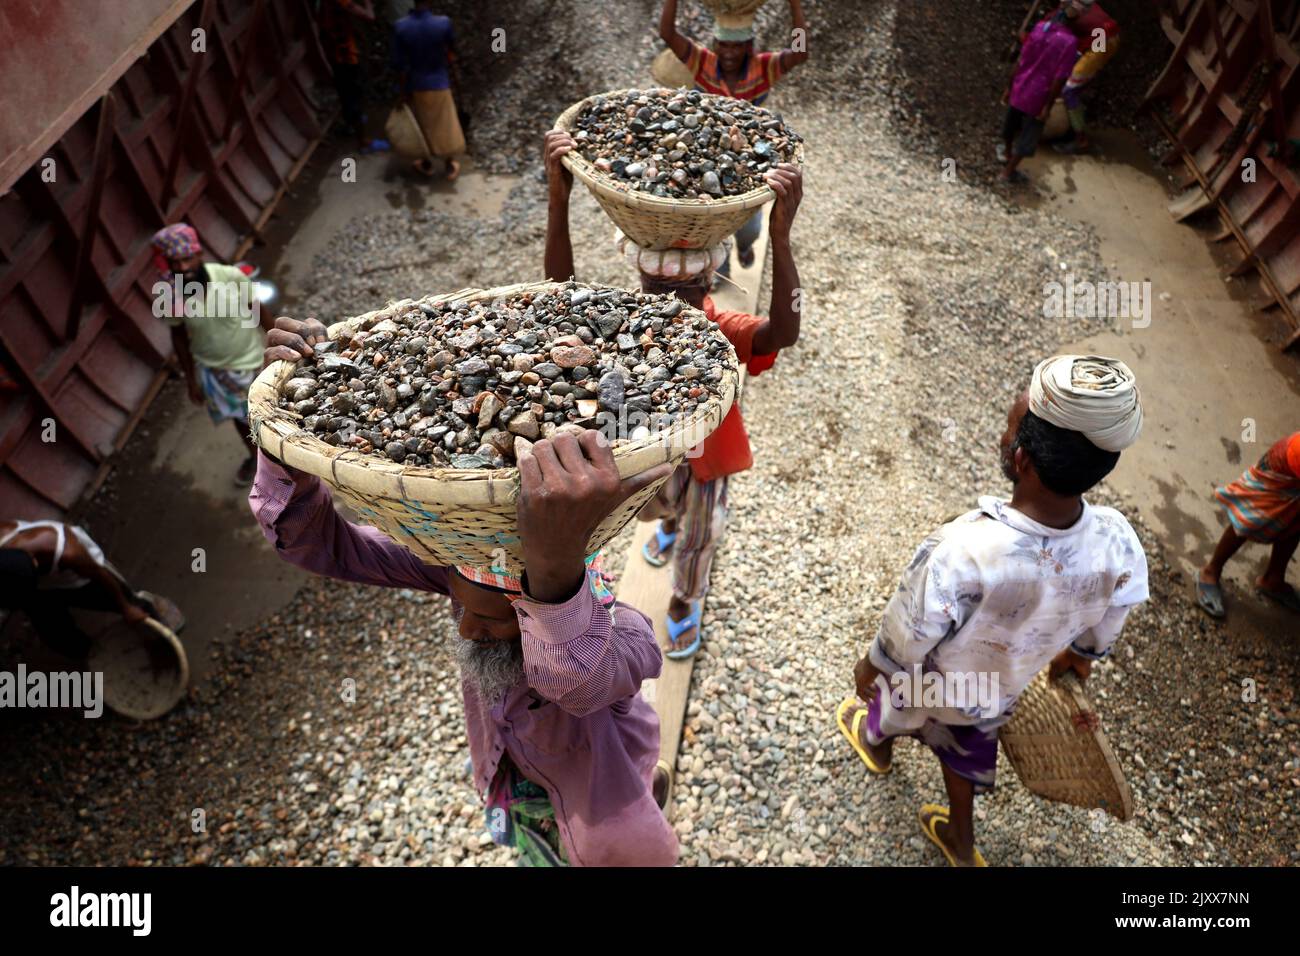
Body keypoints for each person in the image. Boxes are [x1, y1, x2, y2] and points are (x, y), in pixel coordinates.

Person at [251, 317, 678, 866]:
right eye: (463, 606)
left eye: (495, 623)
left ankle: (647, 787)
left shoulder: (627, 636)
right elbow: (319, 547)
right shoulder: (469, 570)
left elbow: (577, 682)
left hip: (597, 810)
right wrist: (283, 439)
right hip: (514, 782)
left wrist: (552, 560)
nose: (466, 628)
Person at [840, 355, 1148, 866]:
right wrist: (1079, 656)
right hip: (995, 693)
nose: (1000, 440)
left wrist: (870, 666)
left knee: (893, 709)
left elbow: (908, 632)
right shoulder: (1118, 541)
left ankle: (876, 748)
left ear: (1021, 459)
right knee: (962, 750)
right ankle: (961, 845)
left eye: (1007, 433)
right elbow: (1108, 618)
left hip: (930, 682)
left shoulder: (963, 549)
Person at [543, 129, 803, 659]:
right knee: (656, 508)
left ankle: (686, 600)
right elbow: (560, 294)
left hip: (709, 459)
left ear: (708, 286)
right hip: (653, 454)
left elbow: (783, 333)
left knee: (702, 536)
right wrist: (558, 198)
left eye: (687, 292)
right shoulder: (623, 326)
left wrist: (780, 238)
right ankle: (666, 523)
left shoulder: (720, 327)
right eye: (661, 292)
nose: (675, 305)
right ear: (640, 285)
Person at [659, 0, 808, 280]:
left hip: (748, 165)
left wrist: (795, 6)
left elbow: (800, 51)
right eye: (725, 46)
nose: (730, 53)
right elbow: (667, 34)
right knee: (711, 225)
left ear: (748, 46)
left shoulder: (762, 68)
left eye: (737, 46)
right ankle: (720, 272)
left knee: (749, 226)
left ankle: (745, 246)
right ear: (716, 45)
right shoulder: (703, 62)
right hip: (706, 160)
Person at [151, 223, 273, 484]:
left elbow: (258, 310)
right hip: (217, 374)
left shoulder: (229, 276)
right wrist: (191, 380)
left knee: (274, 411)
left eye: (187, 259)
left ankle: (288, 456)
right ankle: (258, 459)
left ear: (198, 254)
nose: (183, 268)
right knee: (241, 421)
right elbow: (179, 337)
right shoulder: (170, 295)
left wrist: (278, 344)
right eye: (175, 263)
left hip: (254, 361)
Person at [0, 520, 183, 659]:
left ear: (34, 561)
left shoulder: (67, 552)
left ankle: (152, 618)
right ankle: (92, 658)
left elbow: (98, 573)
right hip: (32, 586)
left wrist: (126, 607)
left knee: (125, 601)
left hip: (80, 573)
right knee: (56, 634)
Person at [1196, 431, 1300, 618]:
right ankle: (1210, 571)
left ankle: (1273, 579)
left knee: (1294, 519)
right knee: (1251, 516)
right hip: (1289, 460)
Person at [998, 3, 1086, 183]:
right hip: (1039, 94)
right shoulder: (1069, 43)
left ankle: (1006, 151)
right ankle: (1008, 172)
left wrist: (1009, 86)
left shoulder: (1039, 29)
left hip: (1021, 85)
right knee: (1029, 134)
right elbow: (1060, 78)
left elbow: (1021, 60)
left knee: (1011, 121)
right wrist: (1048, 106)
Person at [392, 1, 466, 180]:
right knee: (445, 125)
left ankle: (426, 164)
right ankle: (449, 165)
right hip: (440, 82)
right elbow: (451, 55)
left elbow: (400, 66)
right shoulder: (443, 23)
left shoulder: (400, 27)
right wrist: (457, 82)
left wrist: (402, 93)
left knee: (422, 126)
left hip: (416, 84)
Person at [1055, 0, 1120, 154]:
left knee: (1069, 90)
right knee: (1073, 77)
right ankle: (1073, 121)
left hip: (1102, 42)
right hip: (1103, 36)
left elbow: (1097, 51)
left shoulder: (1074, 15)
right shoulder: (1078, 7)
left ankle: (1081, 139)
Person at [317, 0, 377, 152]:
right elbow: (369, 17)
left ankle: (350, 125)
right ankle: (363, 141)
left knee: (345, 92)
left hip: (334, 53)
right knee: (354, 95)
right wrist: (368, 3)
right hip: (346, 55)